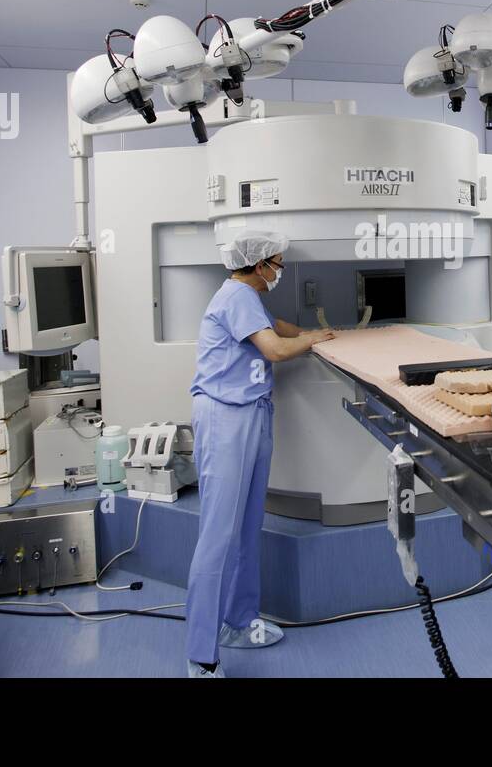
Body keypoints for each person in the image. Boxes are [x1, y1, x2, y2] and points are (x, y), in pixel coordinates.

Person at [184, 230, 335, 678]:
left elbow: (278, 328)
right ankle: (201, 656)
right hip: (225, 418)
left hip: (251, 413)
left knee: (247, 526)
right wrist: (311, 342)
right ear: (258, 265)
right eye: (278, 262)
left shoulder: (249, 298)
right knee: (218, 536)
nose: (281, 270)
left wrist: (317, 333)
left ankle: (238, 620)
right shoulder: (235, 297)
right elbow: (273, 348)